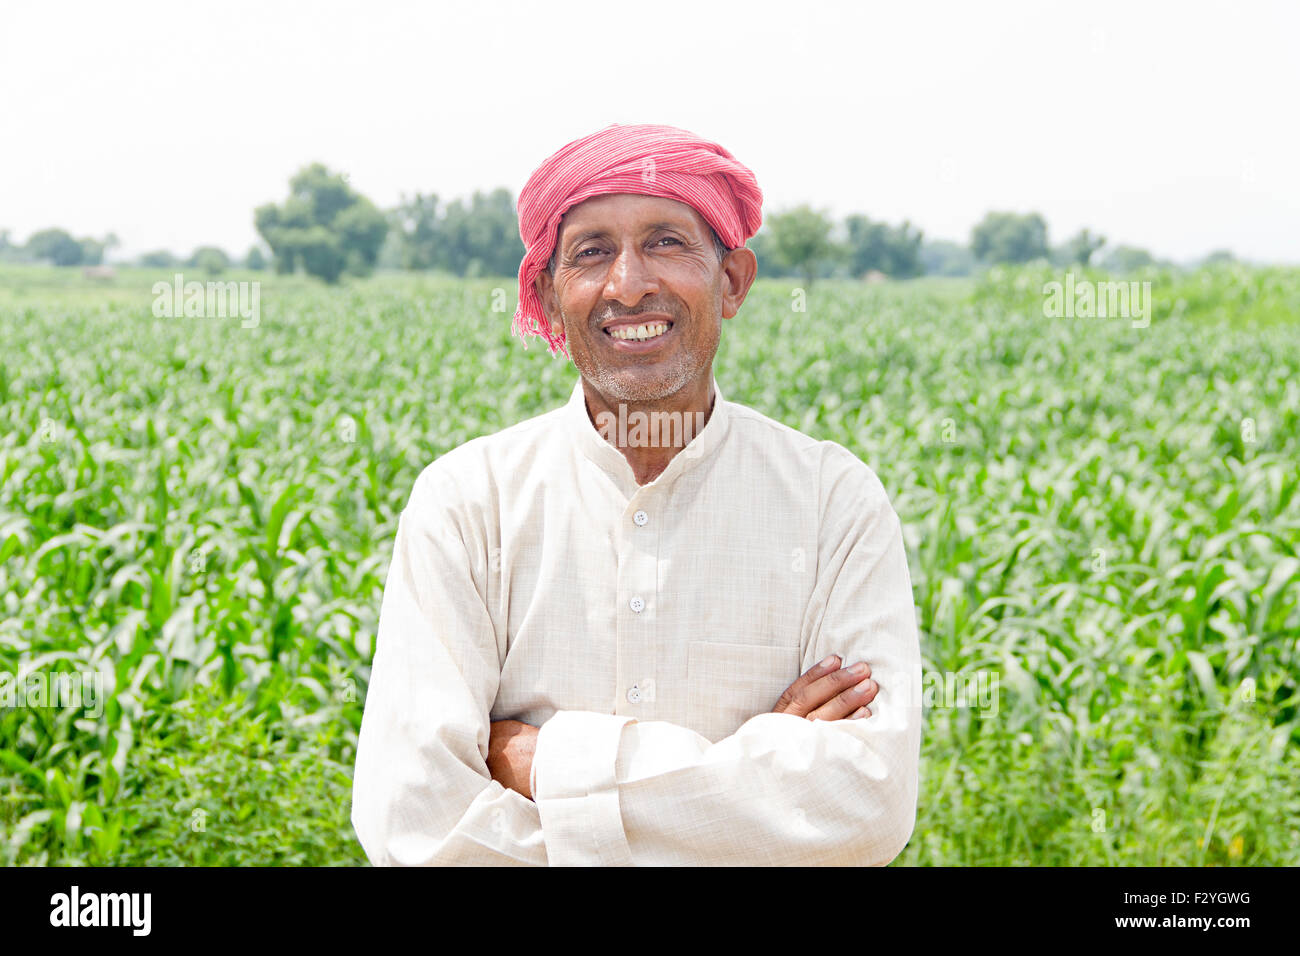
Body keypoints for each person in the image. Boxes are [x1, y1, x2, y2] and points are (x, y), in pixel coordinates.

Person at [350, 123, 922, 866]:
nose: (629, 284)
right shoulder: (467, 505)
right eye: (591, 253)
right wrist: (759, 770)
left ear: (733, 281)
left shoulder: (830, 503)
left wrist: (545, 764)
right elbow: (415, 822)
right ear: (549, 299)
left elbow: (864, 804)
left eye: (665, 242)